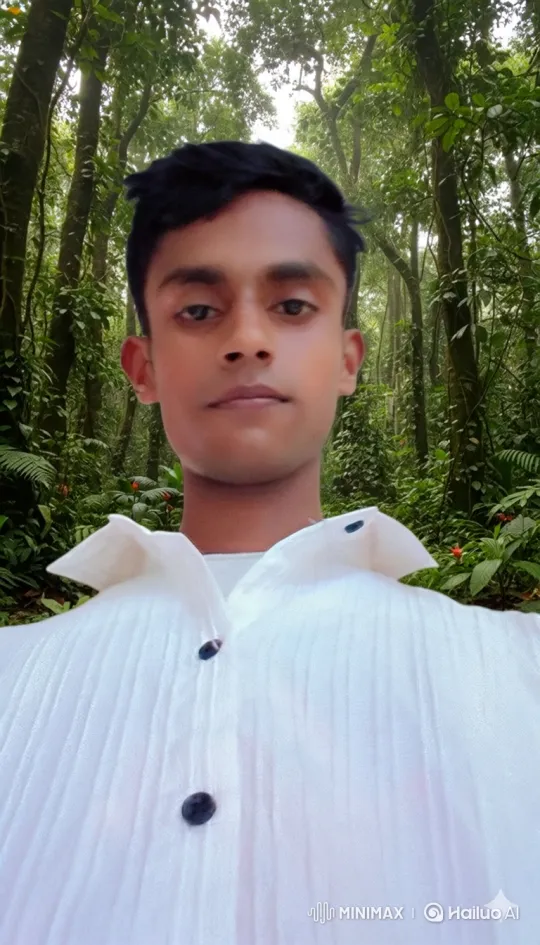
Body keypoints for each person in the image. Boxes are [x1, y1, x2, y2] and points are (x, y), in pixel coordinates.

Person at [0, 141, 538, 945]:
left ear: (348, 358)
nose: (247, 338)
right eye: (198, 309)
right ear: (141, 367)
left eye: (291, 306)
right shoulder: (13, 675)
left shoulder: (521, 669)